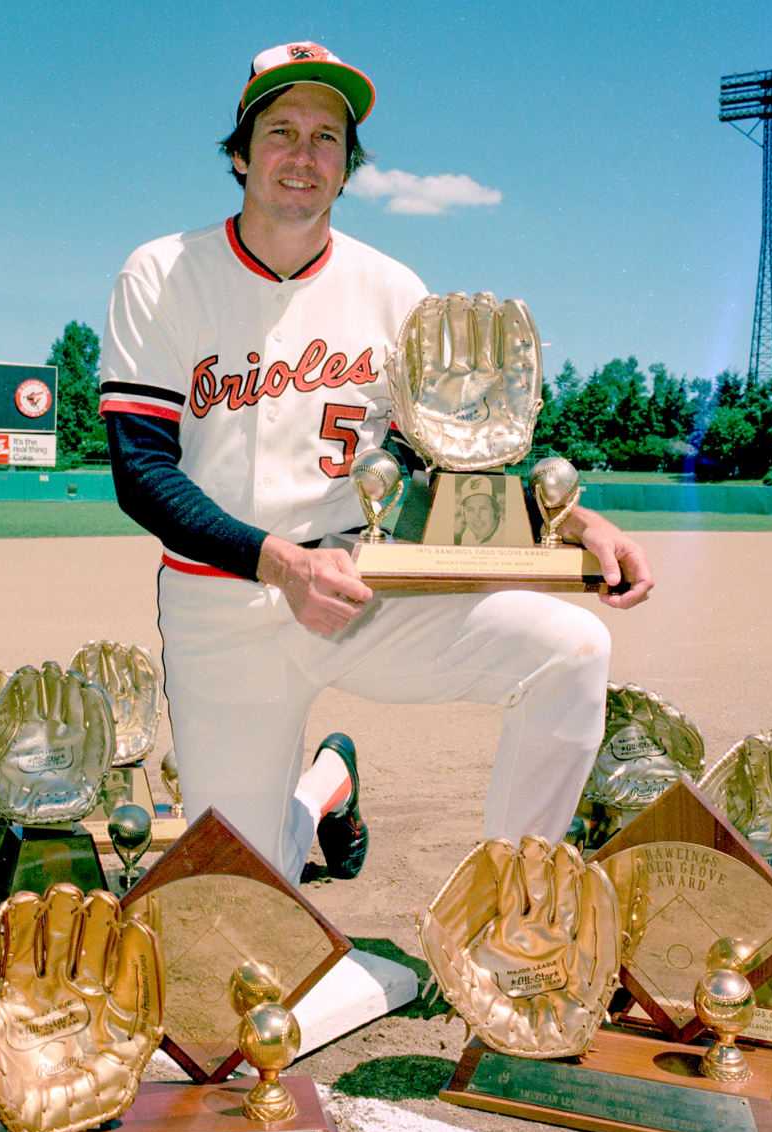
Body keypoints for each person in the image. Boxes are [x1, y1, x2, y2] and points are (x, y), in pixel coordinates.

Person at [99, 42, 653, 884]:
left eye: (328, 138)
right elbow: (141, 470)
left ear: (348, 169)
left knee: (571, 648)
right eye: (281, 130)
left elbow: (447, 463)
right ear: (241, 153)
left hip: (361, 587)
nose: (304, 153)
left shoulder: (395, 290)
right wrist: (277, 565)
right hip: (221, 600)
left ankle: (504, 923)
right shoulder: (163, 272)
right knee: (247, 900)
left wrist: (569, 518)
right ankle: (328, 782)